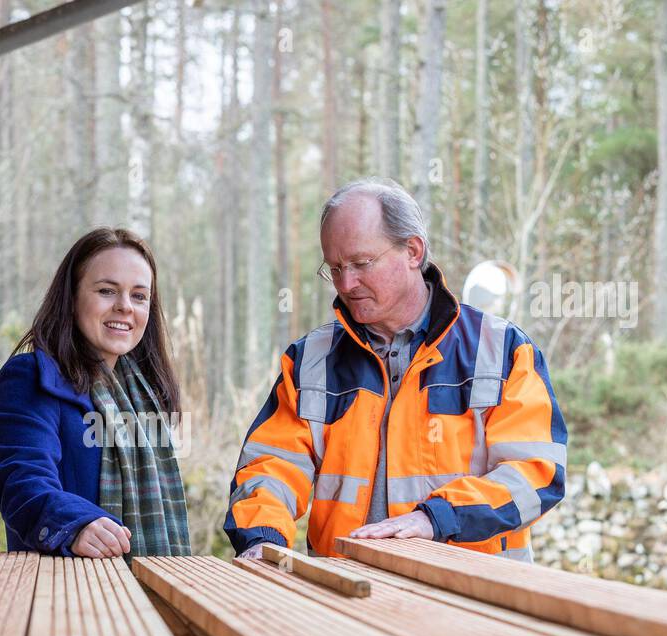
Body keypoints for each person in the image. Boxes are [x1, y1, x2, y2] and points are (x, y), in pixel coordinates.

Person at [225, 177, 567, 561]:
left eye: (361, 263)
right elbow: (272, 465)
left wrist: (436, 519)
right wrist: (262, 538)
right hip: (348, 595)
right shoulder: (309, 362)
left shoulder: (503, 350)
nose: (346, 283)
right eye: (334, 268)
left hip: (475, 599)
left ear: (413, 251)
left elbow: (535, 473)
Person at [0, 227, 190, 559]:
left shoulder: (146, 393)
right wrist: (75, 525)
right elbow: (21, 482)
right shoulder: (31, 378)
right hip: (59, 593)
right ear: (72, 297)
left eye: (139, 296)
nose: (125, 307)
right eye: (107, 291)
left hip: (147, 594)